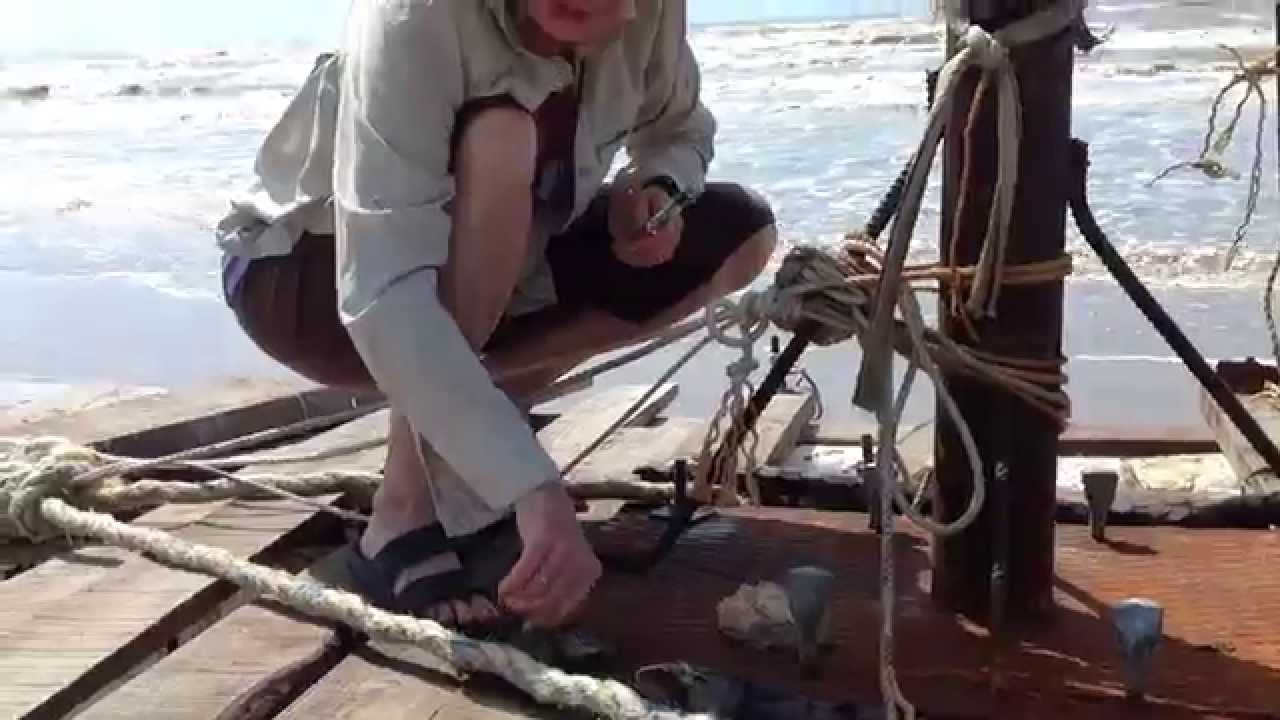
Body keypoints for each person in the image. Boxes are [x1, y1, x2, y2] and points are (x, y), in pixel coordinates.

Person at [215, 0, 777, 632]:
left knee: (737, 232)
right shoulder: (411, 16)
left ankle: (467, 438)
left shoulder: (652, 14)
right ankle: (404, 509)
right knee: (501, 133)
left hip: (505, 262)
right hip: (307, 278)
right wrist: (533, 486)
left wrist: (656, 189)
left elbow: (680, 130)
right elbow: (381, 292)